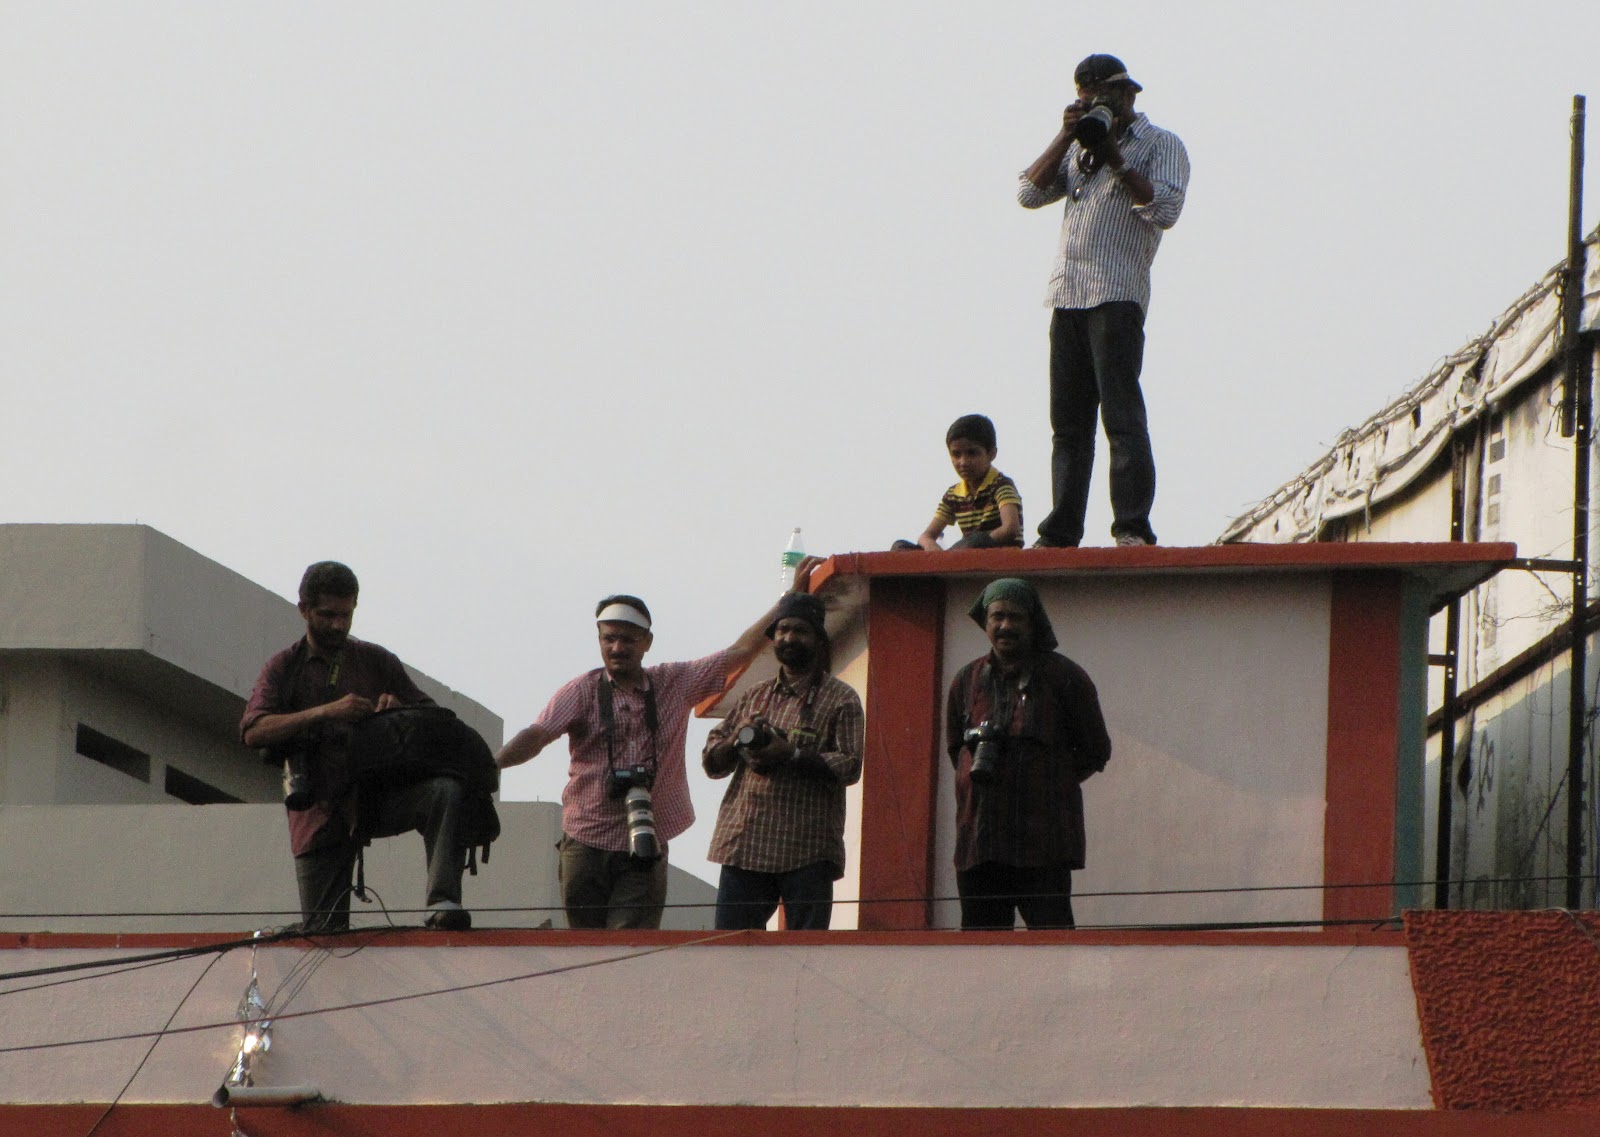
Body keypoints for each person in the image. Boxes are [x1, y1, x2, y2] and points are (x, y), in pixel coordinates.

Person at [497, 559, 823, 930]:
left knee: (629, 945)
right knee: (583, 947)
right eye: (609, 638)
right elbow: (538, 733)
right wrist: (493, 763)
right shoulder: (582, 690)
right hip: (586, 839)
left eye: (628, 639)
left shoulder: (674, 683)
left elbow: (740, 652)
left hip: (647, 840)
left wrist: (789, 601)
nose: (618, 647)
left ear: (647, 642)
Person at [241, 561, 474, 932]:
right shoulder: (284, 667)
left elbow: (434, 716)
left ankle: (442, 902)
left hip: (375, 796)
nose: (338, 625)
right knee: (323, 937)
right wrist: (327, 712)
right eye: (327, 615)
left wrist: (399, 710)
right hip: (319, 809)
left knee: (444, 791)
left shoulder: (375, 660)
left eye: (346, 615)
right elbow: (254, 730)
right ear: (303, 610)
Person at [1018, 53, 1189, 549]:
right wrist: (1067, 135)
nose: (1099, 106)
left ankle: (1132, 527)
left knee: (1121, 416)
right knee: (1068, 425)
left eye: (1106, 97)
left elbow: (1166, 209)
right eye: (1086, 98)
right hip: (1067, 295)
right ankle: (1062, 531)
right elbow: (1029, 193)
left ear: (1130, 93)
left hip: (1116, 295)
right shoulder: (1078, 147)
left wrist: (1115, 154)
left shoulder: (1161, 144)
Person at [946, 577, 1111, 930]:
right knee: (982, 958)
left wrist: (1048, 780)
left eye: (1016, 617)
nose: (1005, 626)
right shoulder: (966, 681)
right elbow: (955, 750)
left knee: (1053, 955)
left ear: (1033, 622)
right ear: (985, 622)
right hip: (980, 844)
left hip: (1044, 846)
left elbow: (1097, 751)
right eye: (997, 616)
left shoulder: (1064, 677)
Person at [702, 592, 864, 930]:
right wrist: (736, 739)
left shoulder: (841, 699)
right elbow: (712, 763)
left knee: (806, 956)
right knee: (730, 952)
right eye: (783, 630)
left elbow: (849, 765)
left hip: (808, 850)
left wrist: (790, 753)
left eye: (800, 631)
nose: (789, 638)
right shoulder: (754, 695)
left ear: (819, 639)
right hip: (744, 844)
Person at [895, 414, 1024, 551]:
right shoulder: (953, 494)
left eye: (972, 453)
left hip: (998, 555)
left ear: (991, 454)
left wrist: (964, 548)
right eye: (956, 454)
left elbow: (1010, 528)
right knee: (900, 547)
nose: (963, 462)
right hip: (966, 553)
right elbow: (926, 536)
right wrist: (931, 547)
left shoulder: (1000, 485)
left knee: (975, 540)